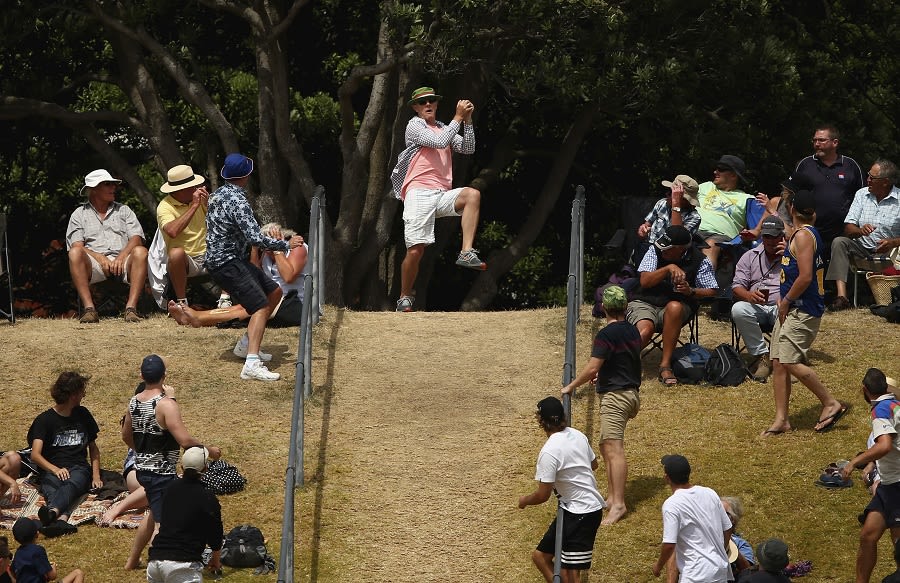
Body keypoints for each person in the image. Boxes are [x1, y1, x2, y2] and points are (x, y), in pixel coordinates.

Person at [204, 153, 304, 381]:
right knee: (259, 306)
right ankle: (251, 363)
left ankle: (247, 344)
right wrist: (285, 244)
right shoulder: (239, 201)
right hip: (227, 262)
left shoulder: (217, 195)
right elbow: (254, 238)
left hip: (225, 259)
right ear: (247, 175)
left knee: (274, 291)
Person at [121, 355, 221, 570]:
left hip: (142, 470)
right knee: (163, 522)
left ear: (141, 375)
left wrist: (142, 451)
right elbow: (184, 440)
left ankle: (132, 561)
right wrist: (210, 451)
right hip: (162, 473)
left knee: (151, 515)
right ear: (164, 376)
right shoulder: (165, 404)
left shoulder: (133, 402)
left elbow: (126, 436)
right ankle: (159, 566)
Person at [390, 86, 483, 313]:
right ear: (415, 107)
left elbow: (468, 148)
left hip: (440, 193)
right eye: (422, 102)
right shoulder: (414, 125)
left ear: (437, 103)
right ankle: (404, 296)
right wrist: (458, 117)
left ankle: (466, 252)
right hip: (418, 192)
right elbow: (441, 142)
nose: (428, 104)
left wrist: (467, 122)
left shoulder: (443, 127)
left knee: (473, 195)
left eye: (431, 100)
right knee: (415, 251)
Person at [762, 189, 846, 435]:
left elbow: (806, 276)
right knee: (777, 362)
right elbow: (792, 234)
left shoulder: (804, 237)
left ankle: (830, 403)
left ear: (791, 210)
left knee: (789, 361)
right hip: (791, 308)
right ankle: (782, 420)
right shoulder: (801, 233)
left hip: (802, 309)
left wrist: (786, 300)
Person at [561, 285, 641, 525]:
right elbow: (622, 361)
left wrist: (571, 385)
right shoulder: (633, 330)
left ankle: (618, 505)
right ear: (626, 307)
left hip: (616, 397)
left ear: (603, 307)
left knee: (614, 450)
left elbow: (593, 367)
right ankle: (611, 497)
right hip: (629, 393)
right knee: (606, 446)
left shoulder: (606, 335)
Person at [517, 397, 605, 583]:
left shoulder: (549, 451)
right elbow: (594, 464)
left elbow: (542, 495)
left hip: (582, 513)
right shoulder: (577, 435)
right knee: (540, 556)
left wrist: (524, 500)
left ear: (541, 421)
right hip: (573, 510)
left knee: (570, 575)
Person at [168, 222, 308, 338]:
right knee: (245, 305)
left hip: (295, 303)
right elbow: (257, 275)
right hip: (276, 300)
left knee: (250, 307)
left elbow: (289, 277)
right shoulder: (266, 254)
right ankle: (195, 317)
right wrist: (254, 247)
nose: (268, 250)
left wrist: (278, 250)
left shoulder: (297, 248)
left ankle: (198, 318)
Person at [627, 224, 718, 386]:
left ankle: (665, 366)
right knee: (646, 329)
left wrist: (691, 291)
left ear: (681, 249)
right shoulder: (654, 250)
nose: (663, 251)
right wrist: (668, 268)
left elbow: (711, 291)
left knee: (674, 306)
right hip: (645, 302)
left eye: (668, 249)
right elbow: (645, 281)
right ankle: (620, 362)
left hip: (678, 307)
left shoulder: (699, 260)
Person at [840, 368, 900, 583]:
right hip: (888, 485)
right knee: (868, 536)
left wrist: (855, 462)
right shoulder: (894, 405)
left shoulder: (881, 409)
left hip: (897, 485)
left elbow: (884, 445)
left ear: (864, 390)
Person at [66, 169, 148, 323]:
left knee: (141, 251)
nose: (113, 188)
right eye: (107, 184)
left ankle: (131, 309)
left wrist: (121, 257)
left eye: (113, 184)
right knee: (74, 252)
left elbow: (137, 238)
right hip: (95, 264)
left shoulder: (124, 210)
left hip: (124, 261)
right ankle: (89, 309)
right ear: (94, 189)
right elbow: (76, 245)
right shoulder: (79, 214)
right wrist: (99, 257)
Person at [27, 371, 102, 537]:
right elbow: (35, 455)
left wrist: (96, 476)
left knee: (72, 484)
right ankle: (61, 520)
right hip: (52, 468)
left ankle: (51, 513)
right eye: (82, 391)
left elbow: (93, 448)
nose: (84, 395)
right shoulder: (44, 420)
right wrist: (55, 470)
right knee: (52, 488)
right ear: (73, 395)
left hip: (78, 468)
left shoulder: (83, 415)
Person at [825, 159, 900, 311]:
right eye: (868, 176)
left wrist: (893, 242)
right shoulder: (862, 194)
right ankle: (842, 298)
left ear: (885, 182)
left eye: (872, 178)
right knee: (839, 241)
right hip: (862, 250)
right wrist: (860, 231)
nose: (868, 180)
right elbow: (848, 228)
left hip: (891, 255)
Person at [146, 446, 223, 583]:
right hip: (182, 565)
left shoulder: (169, 489)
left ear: (181, 467)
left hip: (155, 561)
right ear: (205, 469)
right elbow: (215, 532)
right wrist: (216, 559)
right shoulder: (207, 497)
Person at [652, 455, 732, 583]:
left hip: (695, 575)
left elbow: (669, 544)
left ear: (667, 478)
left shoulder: (672, 504)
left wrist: (658, 566)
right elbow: (727, 528)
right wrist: (719, 550)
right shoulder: (710, 493)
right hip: (719, 570)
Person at [731, 215, 785, 381]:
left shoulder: (793, 255)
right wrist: (748, 295)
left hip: (782, 305)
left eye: (774, 236)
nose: (770, 241)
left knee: (793, 309)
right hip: (757, 306)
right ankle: (763, 356)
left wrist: (790, 258)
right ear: (762, 236)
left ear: (782, 236)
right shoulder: (749, 256)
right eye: (766, 236)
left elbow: (804, 282)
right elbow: (736, 287)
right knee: (738, 309)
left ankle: (784, 360)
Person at [794, 124, 865, 252]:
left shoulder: (851, 165)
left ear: (835, 142)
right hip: (810, 230)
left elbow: (863, 198)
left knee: (838, 271)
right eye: (814, 140)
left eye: (821, 140)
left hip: (842, 233)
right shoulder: (805, 164)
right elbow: (791, 195)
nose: (816, 144)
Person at [156, 164, 213, 305]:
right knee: (176, 254)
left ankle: (226, 299)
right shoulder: (165, 206)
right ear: (179, 190)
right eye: (191, 187)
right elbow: (172, 231)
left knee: (229, 242)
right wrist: (194, 206)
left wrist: (209, 206)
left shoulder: (202, 200)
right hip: (187, 262)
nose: (195, 189)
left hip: (210, 254)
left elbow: (220, 227)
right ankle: (182, 302)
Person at [695, 155, 759, 268]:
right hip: (693, 229)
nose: (715, 171)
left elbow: (761, 222)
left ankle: (706, 284)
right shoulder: (705, 187)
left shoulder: (746, 199)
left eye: (721, 169)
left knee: (710, 246)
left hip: (720, 237)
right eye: (716, 168)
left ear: (734, 175)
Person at [634, 175, 702, 263]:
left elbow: (677, 237)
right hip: (649, 247)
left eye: (671, 193)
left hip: (670, 256)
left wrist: (676, 205)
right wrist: (642, 230)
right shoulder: (662, 203)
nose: (667, 194)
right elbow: (647, 224)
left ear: (685, 199)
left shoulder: (694, 217)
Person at [10, 517, 84, 583]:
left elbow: (13, 573)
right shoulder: (38, 551)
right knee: (78, 573)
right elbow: (52, 576)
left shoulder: (18, 554)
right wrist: (53, 567)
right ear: (37, 533)